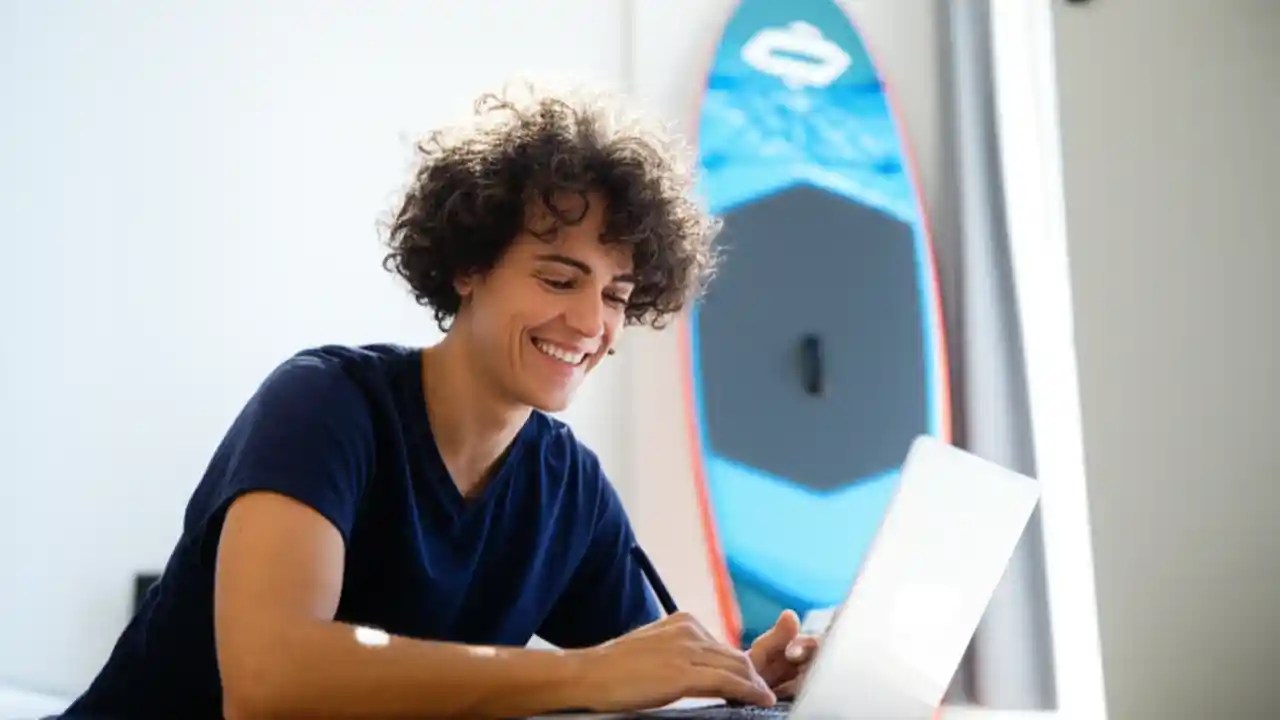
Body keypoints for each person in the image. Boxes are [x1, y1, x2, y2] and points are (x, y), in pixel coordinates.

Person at [62, 83, 819, 719]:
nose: (591, 324)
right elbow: (269, 680)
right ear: (467, 265)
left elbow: (649, 675)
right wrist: (587, 674)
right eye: (559, 279)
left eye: (616, 295)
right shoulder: (325, 405)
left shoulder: (568, 489)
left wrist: (736, 681)